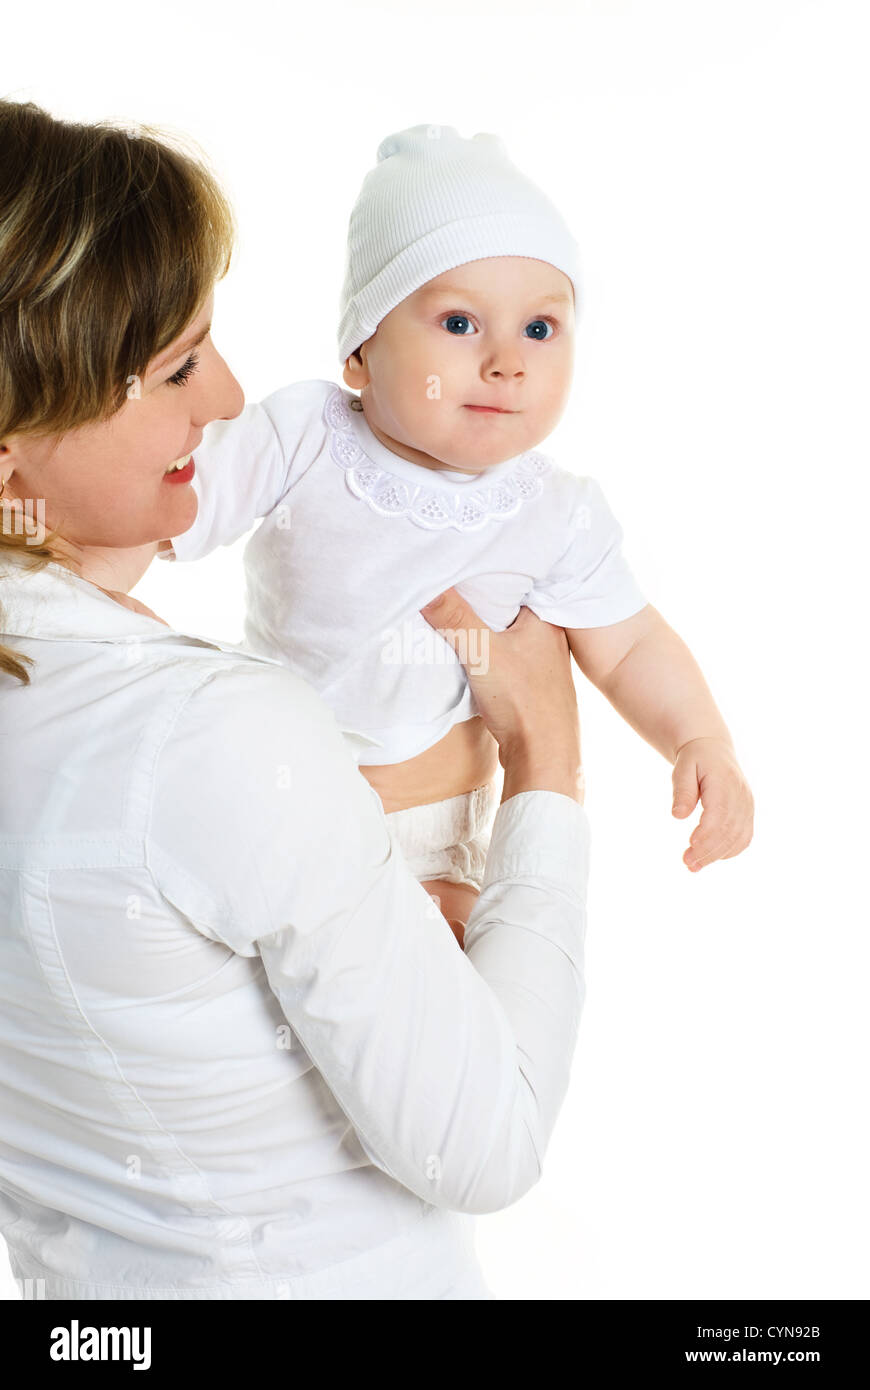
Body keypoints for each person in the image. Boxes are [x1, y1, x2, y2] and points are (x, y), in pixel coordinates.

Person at [0, 100, 588, 1300]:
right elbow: (488, 1140)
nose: (226, 399)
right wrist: (545, 763)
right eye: (172, 367)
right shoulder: (216, 734)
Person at [156, 125, 754, 954]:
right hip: (274, 803)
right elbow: (158, 508)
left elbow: (627, 646)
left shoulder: (557, 512)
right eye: (462, 323)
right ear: (361, 350)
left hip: (439, 837)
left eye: (540, 330)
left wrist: (700, 737)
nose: (508, 361)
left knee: (440, 1000)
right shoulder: (304, 434)